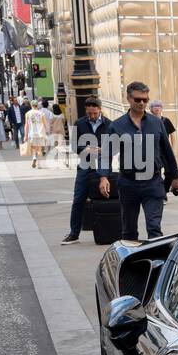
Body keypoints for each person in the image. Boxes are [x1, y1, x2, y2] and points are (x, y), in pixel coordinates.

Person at [103, 81, 178, 240]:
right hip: (128, 183)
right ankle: (131, 263)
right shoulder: (117, 126)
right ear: (128, 99)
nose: (141, 103)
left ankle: (156, 263)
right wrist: (103, 176)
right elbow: (106, 153)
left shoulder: (156, 123)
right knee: (129, 231)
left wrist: (175, 178)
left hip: (152, 183)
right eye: (137, 99)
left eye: (145, 100)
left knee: (154, 228)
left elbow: (167, 152)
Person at [62, 96, 114, 245]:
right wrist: (85, 149)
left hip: (104, 166)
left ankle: (109, 232)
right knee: (78, 199)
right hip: (85, 166)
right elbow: (74, 147)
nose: (92, 116)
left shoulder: (109, 125)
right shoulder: (79, 123)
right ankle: (74, 233)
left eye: (94, 113)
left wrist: (104, 149)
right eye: (89, 113)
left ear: (100, 110)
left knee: (106, 200)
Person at [25, 99, 49, 167]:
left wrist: (25, 135)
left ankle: (34, 157)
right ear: (37, 105)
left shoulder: (28, 113)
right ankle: (39, 164)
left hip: (32, 133)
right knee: (39, 148)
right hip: (40, 132)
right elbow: (45, 124)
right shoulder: (41, 113)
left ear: (31, 105)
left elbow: (26, 125)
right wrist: (47, 132)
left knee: (34, 147)